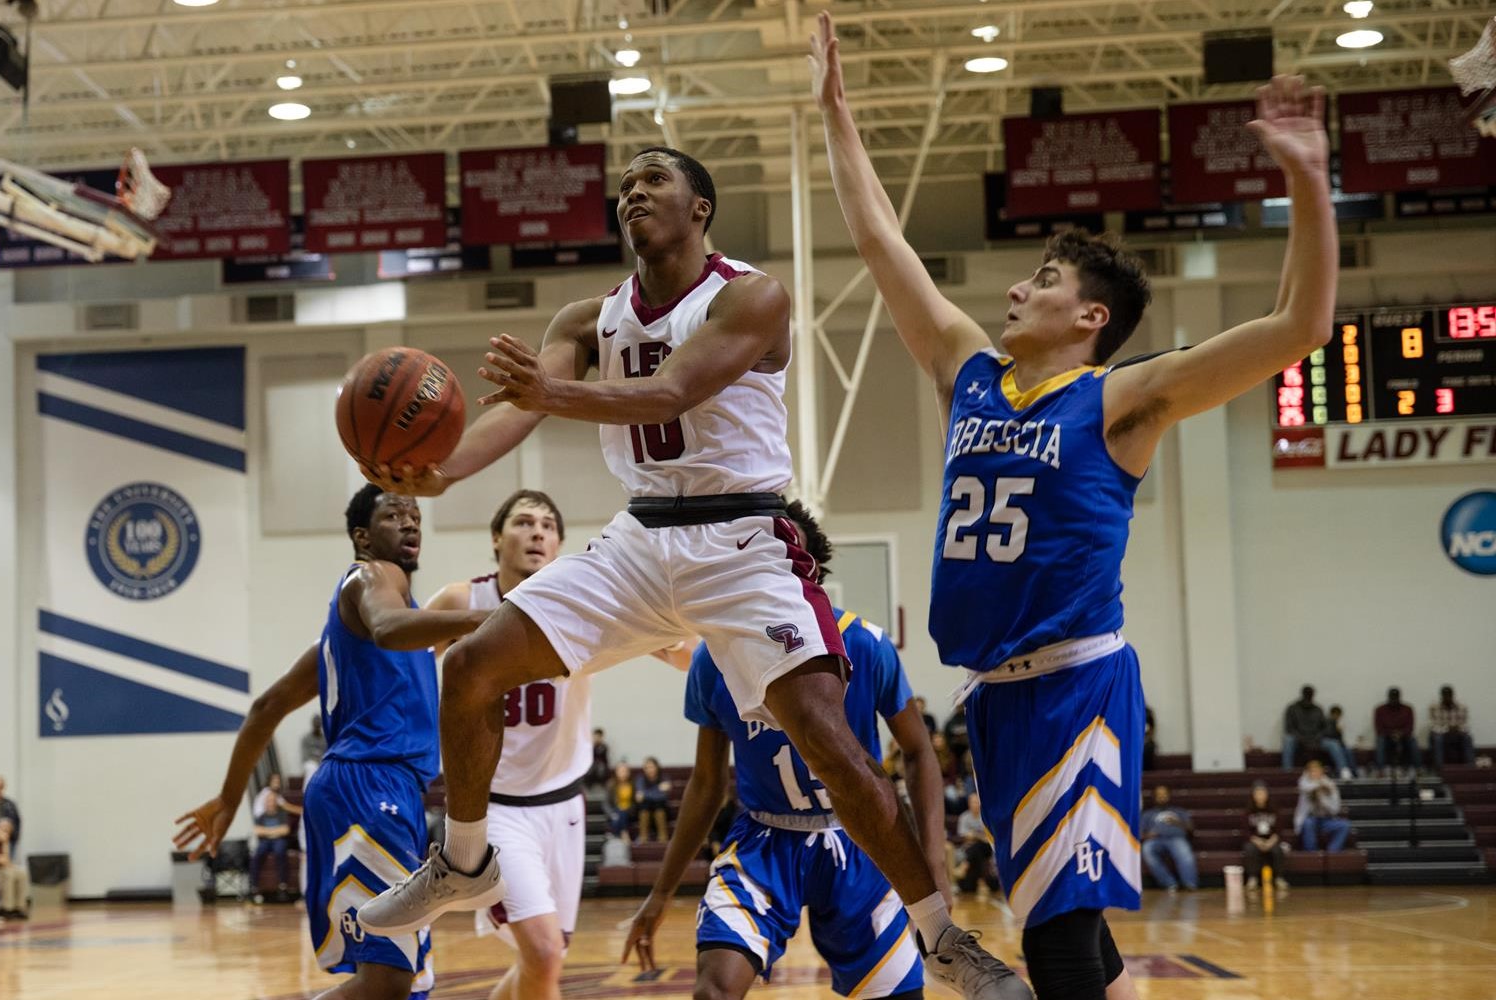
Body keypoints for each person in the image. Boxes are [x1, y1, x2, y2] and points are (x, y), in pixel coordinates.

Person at [354, 144, 1015, 995]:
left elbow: (669, 392)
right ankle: (467, 859)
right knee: (473, 665)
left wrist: (550, 396)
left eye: (652, 180)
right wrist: (438, 473)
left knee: (830, 741)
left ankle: (940, 937)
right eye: (623, 185)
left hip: (741, 540)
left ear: (700, 207)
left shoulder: (751, 296)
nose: (632, 193)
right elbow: (520, 413)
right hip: (638, 539)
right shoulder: (585, 320)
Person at [813, 8, 1337, 996]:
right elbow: (881, 243)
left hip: (1075, 688)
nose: (1016, 290)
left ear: (1089, 317)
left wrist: (1308, 182)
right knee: (1068, 937)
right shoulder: (967, 374)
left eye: (1042, 280)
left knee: (1055, 946)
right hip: (996, 699)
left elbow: (1297, 323)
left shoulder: (1120, 399)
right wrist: (834, 114)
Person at [621, 502, 944, 1000]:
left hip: (860, 842)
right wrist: (661, 892)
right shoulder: (713, 657)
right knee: (713, 992)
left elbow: (920, 751)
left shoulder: (869, 644)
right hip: (764, 841)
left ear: (804, 566)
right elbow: (707, 784)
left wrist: (933, 866)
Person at [176, 487, 487, 1000]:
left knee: (403, 981)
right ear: (363, 537)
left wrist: (229, 800)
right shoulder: (371, 577)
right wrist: (484, 617)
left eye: (415, 515)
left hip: (374, 790)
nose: (410, 523)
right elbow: (389, 627)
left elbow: (266, 708)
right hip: (369, 785)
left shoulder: (343, 634)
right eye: (393, 515)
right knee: (389, 981)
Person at [426, 490, 588, 1000]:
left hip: (563, 807)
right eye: (523, 522)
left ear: (559, 544)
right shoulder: (462, 601)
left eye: (547, 524)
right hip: (494, 810)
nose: (537, 532)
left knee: (544, 960)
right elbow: (395, 652)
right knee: (541, 953)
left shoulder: (583, 603)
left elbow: (676, 650)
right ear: (497, 538)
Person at [250, 772, 302, 903]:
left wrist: (270, 832)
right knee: (258, 853)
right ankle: (254, 887)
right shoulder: (266, 794)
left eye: (279, 780)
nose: (277, 783)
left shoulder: (280, 812)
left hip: (277, 839)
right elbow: (258, 829)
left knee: (280, 850)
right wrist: (303, 810)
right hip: (266, 838)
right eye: (275, 780)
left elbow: (285, 829)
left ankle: (282, 886)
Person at [1137, 787, 1196, 892]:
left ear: (1169, 796)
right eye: (1159, 795)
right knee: (1147, 850)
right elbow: (1140, 835)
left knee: (1184, 852)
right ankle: (1170, 884)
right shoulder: (1147, 814)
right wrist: (1148, 835)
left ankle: (1189, 884)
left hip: (1176, 838)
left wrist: (1177, 823)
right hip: (1156, 840)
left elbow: (1191, 830)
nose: (1162, 797)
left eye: (1164, 794)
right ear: (1154, 798)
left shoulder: (1179, 811)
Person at [1282, 686, 1351, 775]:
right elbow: (1289, 728)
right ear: (1302, 694)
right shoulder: (1292, 708)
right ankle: (1287, 771)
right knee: (1288, 740)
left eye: (1311, 694)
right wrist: (1301, 738)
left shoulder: (1318, 709)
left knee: (1333, 744)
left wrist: (1317, 737)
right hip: (1298, 739)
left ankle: (1343, 771)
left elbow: (1325, 728)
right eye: (1307, 694)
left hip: (1316, 739)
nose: (1309, 696)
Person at [1241, 784, 1289, 891]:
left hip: (1271, 840)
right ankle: (1252, 878)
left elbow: (1279, 830)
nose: (1260, 796)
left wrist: (1270, 842)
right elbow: (1246, 832)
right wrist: (1257, 841)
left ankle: (1279, 878)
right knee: (1249, 849)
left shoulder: (1274, 810)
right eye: (1258, 793)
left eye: (1262, 793)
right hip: (1255, 840)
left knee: (1278, 850)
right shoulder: (1248, 812)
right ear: (1253, 796)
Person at [1295, 761, 1350, 852]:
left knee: (1344, 825)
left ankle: (1332, 852)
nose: (1314, 774)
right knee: (1308, 823)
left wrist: (1323, 799)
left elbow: (1335, 809)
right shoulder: (1304, 784)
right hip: (1310, 818)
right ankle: (1312, 854)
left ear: (1321, 772)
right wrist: (1318, 787)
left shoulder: (1330, 786)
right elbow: (1304, 786)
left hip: (1327, 819)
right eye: (1312, 771)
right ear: (1308, 773)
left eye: (1316, 771)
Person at [955, 795, 999, 898]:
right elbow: (964, 836)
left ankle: (965, 865)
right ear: (969, 803)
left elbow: (989, 838)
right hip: (969, 849)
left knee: (978, 846)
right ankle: (988, 879)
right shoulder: (964, 817)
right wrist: (979, 836)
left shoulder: (986, 817)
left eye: (976, 802)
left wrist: (975, 836)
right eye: (973, 802)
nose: (975, 804)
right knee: (976, 849)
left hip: (986, 848)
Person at [1374, 688, 1420, 774]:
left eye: (1396, 697)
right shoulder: (1380, 710)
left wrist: (1400, 734)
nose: (1394, 700)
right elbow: (1379, 728)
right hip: (1386, 736)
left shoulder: (1407, 709)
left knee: (1413, 741)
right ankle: (1380, 769)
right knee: (1380, 740)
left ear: (1399, 697)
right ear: (1388, 697)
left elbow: (1410, 727)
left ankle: (1418, 768)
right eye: (1392, 697)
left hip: (1403, 736)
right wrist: (1391, 734)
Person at [1430, 686, 1473, 767]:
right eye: (1445, 695)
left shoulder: (1461, 707)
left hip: (1457, 733)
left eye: (1449, 695)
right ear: (1441, 696)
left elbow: (1465, 726)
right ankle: (1440, 768)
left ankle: (1470, 767)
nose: (1447, 697)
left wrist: (1457, 729)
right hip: (1442, 734)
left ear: (1452, 695)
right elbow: (1434, 726)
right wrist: (1448, 729)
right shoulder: (1434, 708)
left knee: (1467, 737)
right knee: (1437, 738)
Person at [634, 758, 673, 844]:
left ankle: (663, 838)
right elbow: (639, 797)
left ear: (657, 767)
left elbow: (662, 797)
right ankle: (643, 838)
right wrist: (657, 789)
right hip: (646, 809)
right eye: (647, 767)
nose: (650, 769)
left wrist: (646, 794)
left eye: (652, 767)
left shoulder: (664, 777)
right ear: (644, 769)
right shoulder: (640, 779)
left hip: (661, 808)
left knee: (659, 807)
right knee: (644, 808)